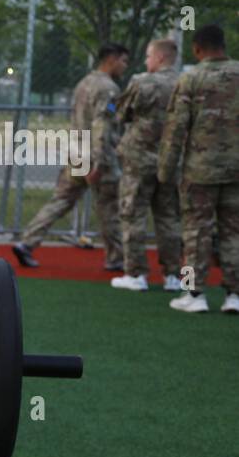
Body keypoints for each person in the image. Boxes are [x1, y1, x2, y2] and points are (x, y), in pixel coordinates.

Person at [13, 44, 129, 271]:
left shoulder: (83, 83)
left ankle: (27, 242)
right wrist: (99, 161)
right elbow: (102, 127)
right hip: (96, 155)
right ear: (112, 59)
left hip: (77, 151)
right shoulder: (110, 90)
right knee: (109, 208)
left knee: (61, 200)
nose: (125, 66)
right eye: (123, 61)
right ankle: (116, 258)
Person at [157, 24, 239, 314]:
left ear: (197, 49)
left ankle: (194, 293)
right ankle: (234, 295)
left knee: (195, 233)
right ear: (224, 45)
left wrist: (165, 172)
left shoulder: (191, 79)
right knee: (234, 232)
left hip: (200, 171)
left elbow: (176, 129)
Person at [110, 39, 183, 292]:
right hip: (172, 161)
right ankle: (173, 275)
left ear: (160, 58)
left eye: (149, 55)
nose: (146, 60)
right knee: (169, 218)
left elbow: (120, 113)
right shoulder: (185, 83)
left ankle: (136, 273)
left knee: (133, 214)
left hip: (139, 159)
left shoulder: (143, 82)